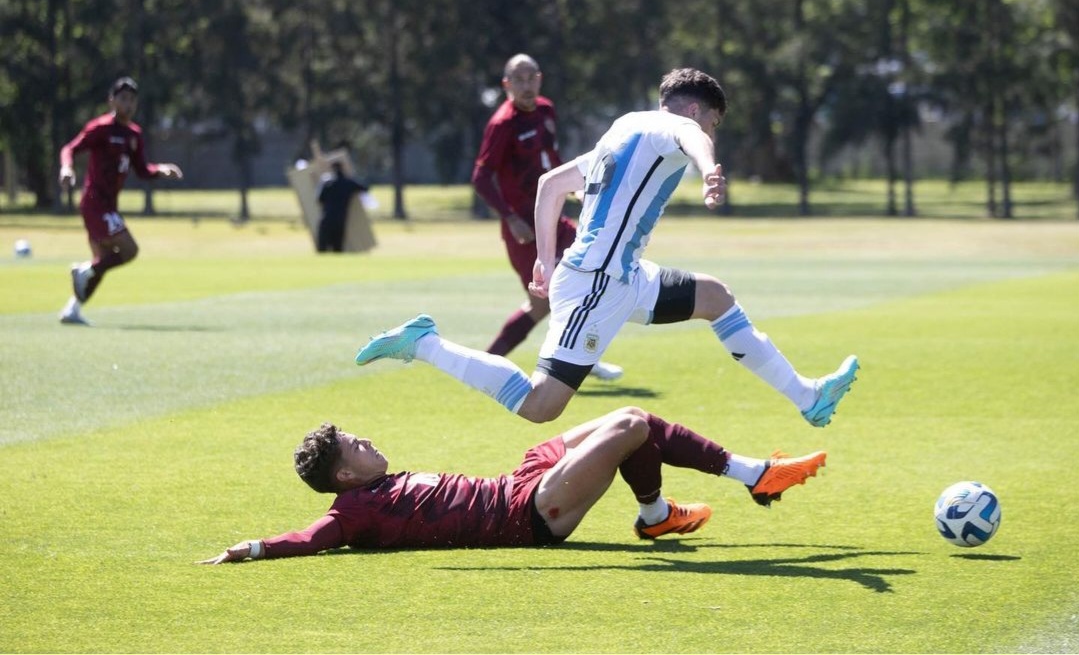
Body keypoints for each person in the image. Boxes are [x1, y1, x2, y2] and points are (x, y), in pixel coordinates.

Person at [356, 68, 859, 426]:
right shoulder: (674, 126)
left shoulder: (625, 126)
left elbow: (552, 184)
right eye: (713, 123)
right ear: (694, 108)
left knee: (715, 298)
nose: (711, 132)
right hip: (597, 282)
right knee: (540, 405)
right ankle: (424, 343)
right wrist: (709, 170)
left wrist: (546, 264)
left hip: (622, 276)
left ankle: (807, 397)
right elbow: (689, 136)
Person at [198, 405, 826, 562]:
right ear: (343, 475)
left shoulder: (375, 485)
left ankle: (744, 478)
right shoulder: (354, 512)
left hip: (520, 477)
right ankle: (664, 509)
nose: (366, 441)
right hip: (532, 511)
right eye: (354, 446)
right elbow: (310, 537)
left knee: (634, 419)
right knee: (632, 425)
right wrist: (252, 548)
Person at [472, 54, 623, 381]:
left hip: (556, 220)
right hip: (526, 231)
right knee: (543, 303)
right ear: (506, 85)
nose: (526, 86)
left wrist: (577, 188)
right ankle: (484, 364)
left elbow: (553, 160)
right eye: (518, 80)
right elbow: (481, 177)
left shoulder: (545, 111)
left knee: (591, 272)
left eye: (531, 78)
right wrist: (511, 218)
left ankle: (582, 355)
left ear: (539, 79)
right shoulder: (502, 124)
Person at [58, 76, 184, 325]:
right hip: (95, 203)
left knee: (101, 263)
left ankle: (72, 309)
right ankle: (83, 271)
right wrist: (66, 169)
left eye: (132, 100)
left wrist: (160, 169)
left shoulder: (134, 134)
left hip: (108, 206)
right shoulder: (100, 128)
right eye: (123, 98)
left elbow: (142, 170)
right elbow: (69, 149)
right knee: (130, 250)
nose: (128, 104)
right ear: (111, 100)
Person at [316, 161, 368, 253]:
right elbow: (365, 188)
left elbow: (319, 199)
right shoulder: (348, 183)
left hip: (327, 218)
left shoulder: (327, 184)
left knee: (322, 249)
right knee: (337, 248)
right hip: (340, 220)